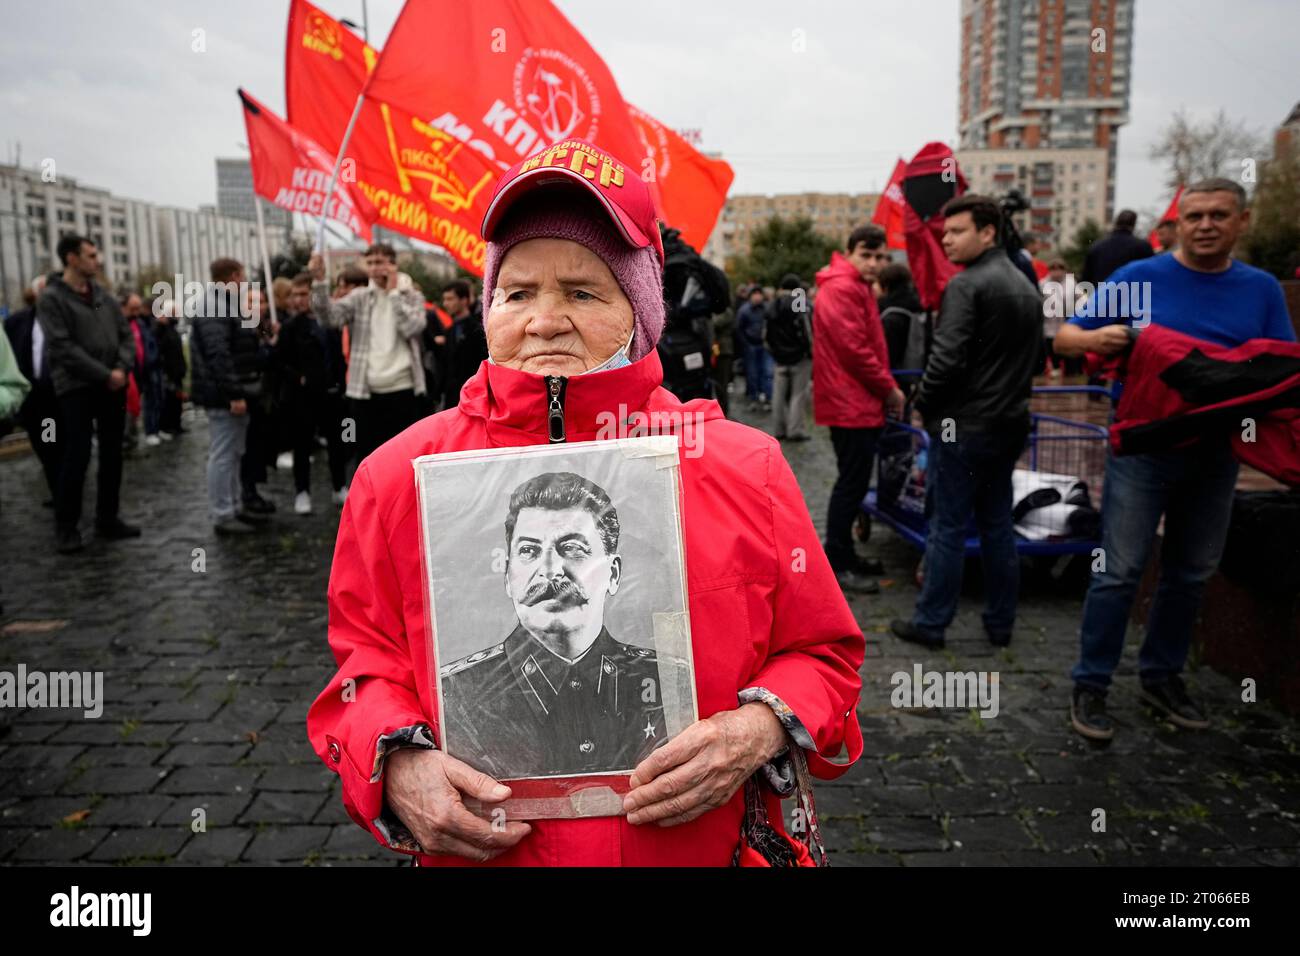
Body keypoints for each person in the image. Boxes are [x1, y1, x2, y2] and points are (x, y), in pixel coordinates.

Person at [308, 138, 865, 867]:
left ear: (638, 309)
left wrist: (758, 729)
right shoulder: (394, 476)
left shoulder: (744, 466)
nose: (543, 320)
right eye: (517, 292)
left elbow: (822, 654)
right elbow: (363, 671)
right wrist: (398, 766)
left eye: (581, 291)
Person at [1054, 178, 1296, 741]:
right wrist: (1104, 336)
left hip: (1217, 451)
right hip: (1144, 449)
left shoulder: (1260, 289)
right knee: (1118, 572)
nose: (1205, 225)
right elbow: (1065, 337)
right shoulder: (1138, 277)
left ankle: (1161, 677)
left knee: (1191, 573)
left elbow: (1279, 368)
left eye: (1218, 215)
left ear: (1242, 221)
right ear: (1175, 225)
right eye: (1194, 216)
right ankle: (1091, 684)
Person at [440, 471, 691, 779]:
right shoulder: (455, 694)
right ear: (507, 576)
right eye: (529, 551)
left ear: (613, 574)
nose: (549, 571)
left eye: (572, 548)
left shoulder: (672, 680)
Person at [890, 195, 1042, 649]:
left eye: (957, 232)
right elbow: (1034, 359)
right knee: (997, 524)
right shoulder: (1027, 285)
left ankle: (932, 622)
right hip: (1010, 422)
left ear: (988, 232)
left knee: (948, 527)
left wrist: (926, 402)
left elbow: (947, 357)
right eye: (945, 233)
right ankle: (1001, 623)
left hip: (965, 426)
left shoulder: (967, 284)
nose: (947, 241)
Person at [812, 224, 903, 594]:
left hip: (857, 401)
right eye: (866, 255)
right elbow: (855, 351)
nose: (874, 263)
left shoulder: (855, 286)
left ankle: (845, 555)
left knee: (854, 481)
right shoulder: (842, 287)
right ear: (849, 252)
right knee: (851, 484)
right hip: (851, 402)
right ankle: (837, 560)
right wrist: (890, 389)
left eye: (881, 257)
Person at [36, 234, 141, 554]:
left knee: (112, 454)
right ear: (71, 258)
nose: (98, 261)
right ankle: (66, 526)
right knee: (77, 454)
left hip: (113, 386)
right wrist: (104, 374)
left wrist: (121, 369)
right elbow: (62, 347)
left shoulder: (104, 297)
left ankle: (107, 518)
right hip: (77, 388)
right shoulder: (53, 298)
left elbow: (125, 336)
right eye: (91, 255)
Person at [308, 243, 429, 463]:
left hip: (403, 389)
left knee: (404, 458)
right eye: (370, 262)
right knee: (368, 456)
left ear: (393, 265)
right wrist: (319, 283)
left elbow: (412, 328)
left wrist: (393, 294)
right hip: (365, 391)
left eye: (380, 262)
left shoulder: (411, 296)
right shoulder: (360, 297)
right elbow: (328, 318)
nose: (374, 268)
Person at [188, 258, 267, 536]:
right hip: (225, 396)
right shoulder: (215, 306)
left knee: (233, 453)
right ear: (233, 276)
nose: (245, 281)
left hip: (233, 392)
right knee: (224, 454)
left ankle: (233, 506)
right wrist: (233, 393)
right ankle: (223, 513)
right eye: (243, 276)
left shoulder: (224, 305)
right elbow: (218, 355)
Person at [276, 273, 349, 514]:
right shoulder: (290, 327)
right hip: (302, 397)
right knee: (302, 445)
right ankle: (302, 492)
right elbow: (280, 361)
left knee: (337, 444)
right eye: (294, 295)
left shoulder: (333, 322)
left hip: (332, 394)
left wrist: (340, 382)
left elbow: (340, 355)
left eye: (303, 294)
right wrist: (299, 377)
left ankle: (339, 486)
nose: (298, 300)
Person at [5, 276, 62, 501]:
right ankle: (58, 488)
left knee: (57, 445)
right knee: (47, 448)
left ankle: (62, 492)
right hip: (36, 400)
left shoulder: (65, 320)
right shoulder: (17, 323)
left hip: (60, 397)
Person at [764, 273, 812, 441]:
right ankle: (795, 429)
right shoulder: (798, 302)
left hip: (779, 357)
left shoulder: (772, 305)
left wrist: (774, 351)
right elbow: (805, 328)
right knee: (798, 395)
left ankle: (779, 429)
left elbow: (766, 334)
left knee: (778, 395)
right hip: (799, 357)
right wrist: (809, 349)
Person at [438, 278, 488, 411]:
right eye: (445, 299)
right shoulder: (449, 331)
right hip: (452, 400)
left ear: (464, 300)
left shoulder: (478, 330)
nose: (446, 303)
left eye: (450, 299)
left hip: (474, 400)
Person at [122, 293, 162, 447]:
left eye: (138, 308)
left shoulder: (140, 323)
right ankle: (127, 438)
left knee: (142, 403)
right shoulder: (123, 324)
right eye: (133, 308)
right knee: (129, 406)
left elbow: (147, 344)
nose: (137, 312)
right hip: (129, 370)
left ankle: (133, 437)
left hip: (143, 369)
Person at [877, 262, 927, 372]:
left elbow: (887, 356)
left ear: (885, 286)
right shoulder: (917, 306)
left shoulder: (890, 316)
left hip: (896, 376)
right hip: (914, 372)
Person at [1083, 209, 1154, 285]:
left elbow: (1086, 279)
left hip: (1101, 294)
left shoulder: (1096, 247)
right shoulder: (1143, 247)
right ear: (1134, 224)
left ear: (1116, 223)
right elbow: (1151, 275)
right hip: (1132, 294)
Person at [153, 298, 187, 438]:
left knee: (177, 400)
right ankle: (168, 426)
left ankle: (176, 425)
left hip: (177, 370)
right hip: (167, 371)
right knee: (169, 400)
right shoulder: (161, 328)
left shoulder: (173, 329)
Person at [735, 286, 772, 410]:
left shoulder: (766, 308)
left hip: (764, 345)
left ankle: (768, 397)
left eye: (759, 294)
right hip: (750, 345)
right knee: (752, 373)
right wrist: (745, 344)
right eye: (755, 294)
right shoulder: (744, 310)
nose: (757, 296)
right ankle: (754, 398)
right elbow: (739, 329)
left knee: (767, 372)